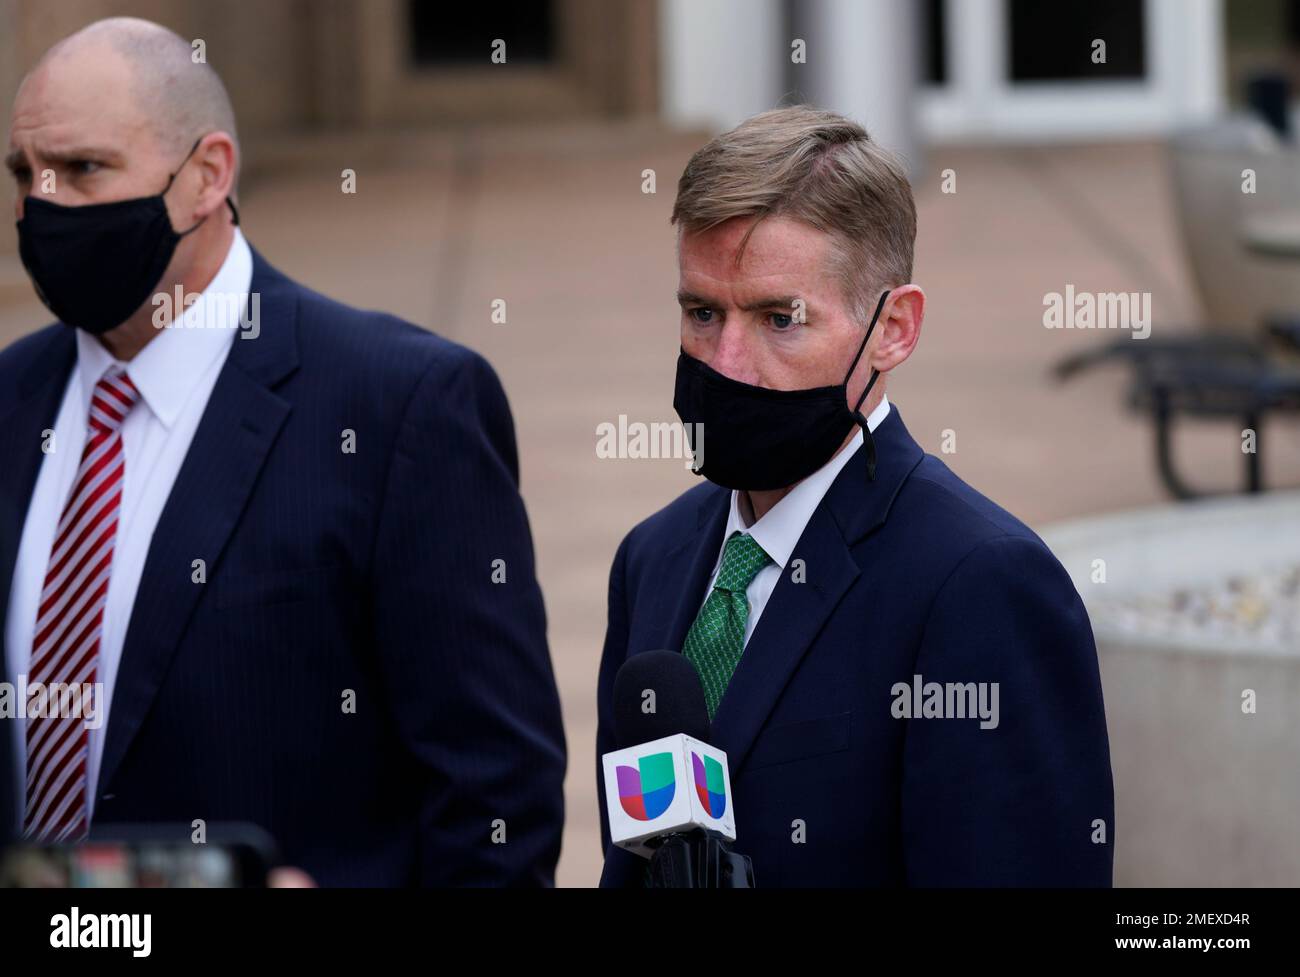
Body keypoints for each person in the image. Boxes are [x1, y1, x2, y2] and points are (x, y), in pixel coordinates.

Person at [0, 17, 565, 886]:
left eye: (83, 169)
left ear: (207, 175)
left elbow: (497, 801)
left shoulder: (399, 406)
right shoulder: (10, 401)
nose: (44, 208)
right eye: (23, 175)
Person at [596, 106, 1114, 887]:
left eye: (780, 318)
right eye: (702, 312)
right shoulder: (653, 557)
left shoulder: (980, 587)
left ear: (893, 328)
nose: (726, 362)